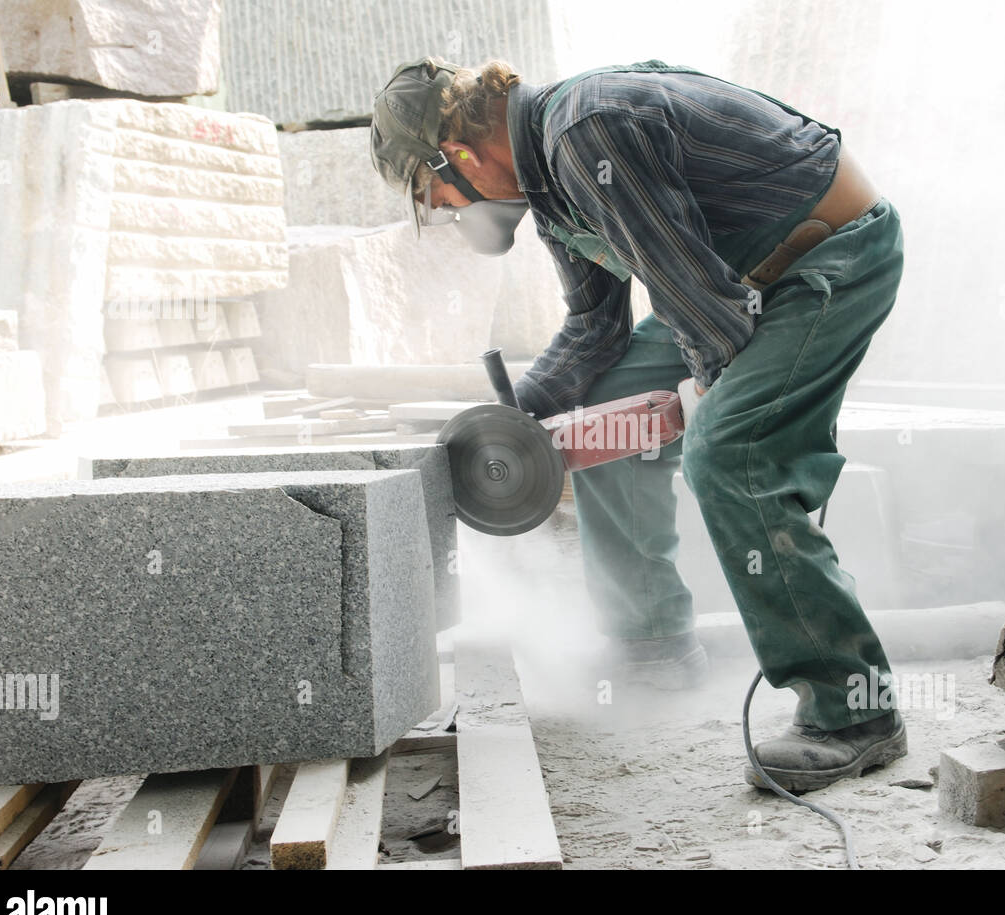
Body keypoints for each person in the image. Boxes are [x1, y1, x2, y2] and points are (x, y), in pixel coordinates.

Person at [371, 57, 907, 792]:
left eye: (435, 196)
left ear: (458, 154)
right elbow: (595, 330)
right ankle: (650, 642)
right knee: (608, 399)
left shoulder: (587, 132)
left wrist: (709, 405)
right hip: (745, 281)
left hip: (830, 257)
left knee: (731, 456)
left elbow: (706, 311)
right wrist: (515, 422)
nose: (445, 211)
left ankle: (854, 711)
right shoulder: (550, 187)